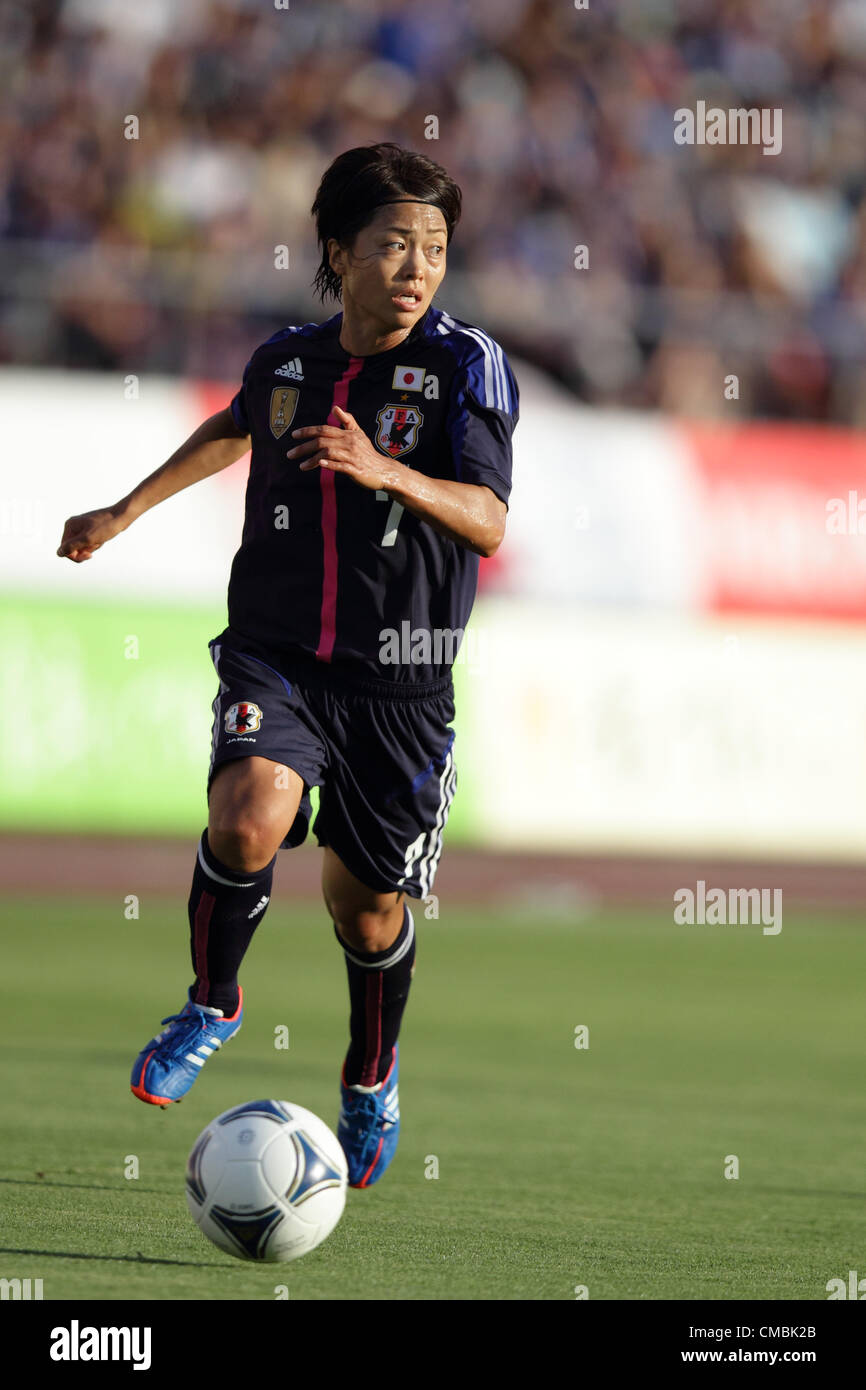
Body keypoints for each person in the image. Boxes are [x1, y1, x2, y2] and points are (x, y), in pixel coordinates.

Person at [57, 142, 519, 1188]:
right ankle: (212, 1002)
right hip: (275, 656)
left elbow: (487, 520)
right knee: (247, 814)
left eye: (435, 247)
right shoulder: (287, 360)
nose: (416, 266)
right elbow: (237, 426)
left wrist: (383, 468)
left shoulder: (464, 367)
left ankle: (369, 1074)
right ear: (337, 250)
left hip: (399, 685)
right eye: (395, 242)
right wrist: (124, 511)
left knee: (363, 910)